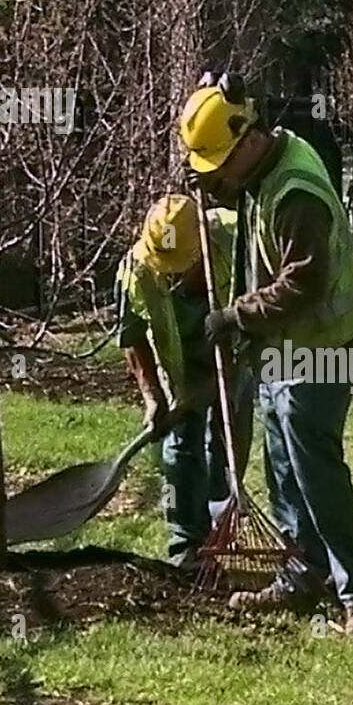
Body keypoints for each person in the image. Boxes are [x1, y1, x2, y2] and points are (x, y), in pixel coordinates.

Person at [179, 72, 353, 633]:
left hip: (322, 351)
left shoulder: (294, 193)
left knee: (315, 471)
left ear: (248, 143)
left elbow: (302, 283)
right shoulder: (266, 161)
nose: (217, 183)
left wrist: (236, 316)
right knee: (283, 469)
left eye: (218, 168)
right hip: (287, 349)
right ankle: (301, 576)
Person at [116, 193, 253, 572]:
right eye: (167, 268)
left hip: (236, 356)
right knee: (178, 454)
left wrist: (224, 373)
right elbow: (131, 335)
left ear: (203, 245)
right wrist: (153, 396)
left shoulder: (236, 239)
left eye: (182, 266)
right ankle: (186, 543)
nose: (172, 277)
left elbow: (265, 306)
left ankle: (221, 524)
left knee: (227, 444)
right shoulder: (137, 268)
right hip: (178, 370)